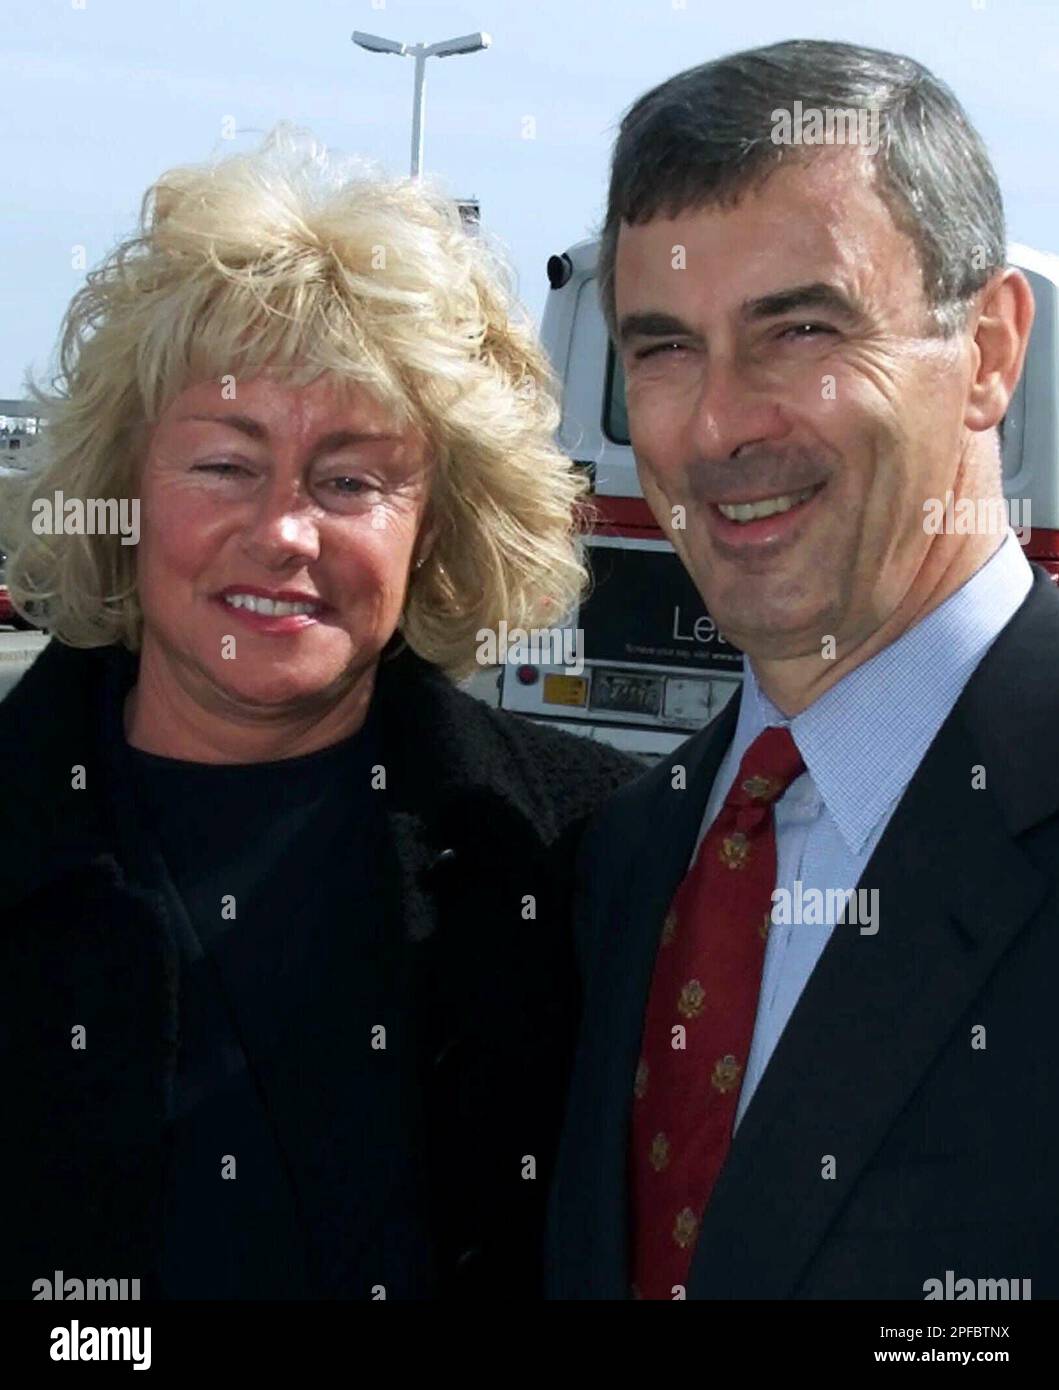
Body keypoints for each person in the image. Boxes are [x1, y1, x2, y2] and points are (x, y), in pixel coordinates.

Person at [0, 125, 641, 1301]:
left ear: (435, 526)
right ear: (120, 491)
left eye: (351, 480)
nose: (286, 533)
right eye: (228, 465)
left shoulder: (584, 854)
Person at [546, 39, 1058, 1299]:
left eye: (804, 328)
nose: (719, 425)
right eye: (662, 349)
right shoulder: (616, 864)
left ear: (989, 352)